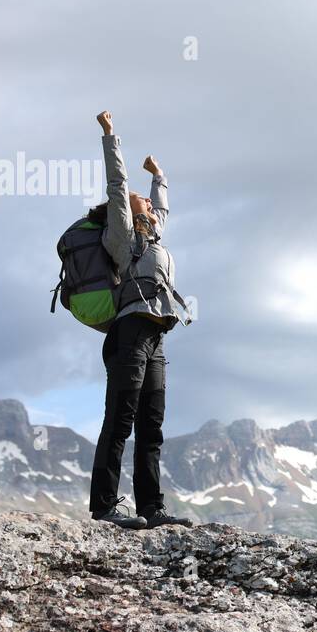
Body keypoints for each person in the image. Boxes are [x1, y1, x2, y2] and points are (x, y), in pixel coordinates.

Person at [88, 110, 193, 530]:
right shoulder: (122, 236)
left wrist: (159, 176)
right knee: (120, 420)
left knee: (152, 425)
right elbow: (118, 185)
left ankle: (151, 507)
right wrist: (110, 136)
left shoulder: (153, 233)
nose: (146, 202)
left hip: (156, 335)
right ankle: (105, 507)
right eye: (141, 199)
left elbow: (160, 205)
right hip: (129, 332)